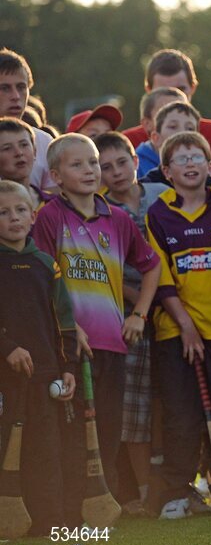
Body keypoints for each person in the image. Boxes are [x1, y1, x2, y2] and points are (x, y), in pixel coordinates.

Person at [32, 133, 161, 495]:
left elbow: (152, 266)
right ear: (56, 176)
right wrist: (69, 328)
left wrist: (139, 314)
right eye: (78, 164)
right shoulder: (49, 217)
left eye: (93, 163)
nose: (90, 170)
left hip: (113, 343)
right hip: (69, 346)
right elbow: (43, 280)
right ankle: (73, 505)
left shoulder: (118, 219)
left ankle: (104, 504)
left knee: (107, 428)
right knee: (72, 431)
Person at [145, 131, 211, 518]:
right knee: (181, 416)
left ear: (210, 166)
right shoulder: (160, 212)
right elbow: (161, 276)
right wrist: (185, 324)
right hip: (176, 332)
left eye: (196, 156)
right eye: (181, 159)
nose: (189, 164)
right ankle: (178, 491)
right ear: (167, 171)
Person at [95, 131, 168, 509]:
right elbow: (112, 273)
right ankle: (142, 492)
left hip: (175, 308)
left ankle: (176, 485)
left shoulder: (161, 197)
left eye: (122, 162)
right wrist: (143, 306)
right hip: (130, 314)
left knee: (171, 402)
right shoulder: (101, 211)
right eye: (105, 167)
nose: (116, 172)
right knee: (136, 408)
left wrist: (163, 303)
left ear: (137, 160)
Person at [0, 180, 77, 536]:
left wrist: (69, 367)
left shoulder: (48, 264)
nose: (13, 218)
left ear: (33, 217)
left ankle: (48, 523)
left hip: (45, 374)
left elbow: (64, 319)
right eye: (3, 213)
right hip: (5, 376)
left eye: (19, 210)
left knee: (45, 450)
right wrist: (8, 347)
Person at [123, 49, 211, 174]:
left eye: (180, 90)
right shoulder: (128, 142)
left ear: (193, 88)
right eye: (163, 91)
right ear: (149, 91)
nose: (173, 99)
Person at [0, 48, 54, 191]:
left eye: (21, 87)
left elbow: (56, 203)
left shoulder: (44, 142)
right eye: (5, 88)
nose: (16, 96)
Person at [133, 87, 189, 176]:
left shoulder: (198, 161)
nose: (177, 118)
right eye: (166, 113)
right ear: (147, 124)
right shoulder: (136, 167)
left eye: (184, 113)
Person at [139, 101, 201, 181]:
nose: (182, 133)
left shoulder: (203, 168)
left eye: (190, 128)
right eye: (173, 127)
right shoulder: (138, 168)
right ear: (156, 138)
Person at [0, 116, 50, 208]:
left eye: (24, 145)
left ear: (34, 151)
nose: (19, 153)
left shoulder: (56, 205)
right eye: (7, 148)